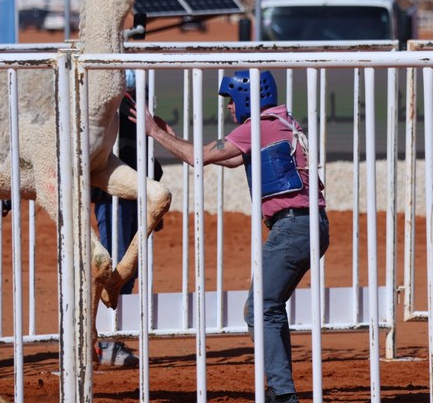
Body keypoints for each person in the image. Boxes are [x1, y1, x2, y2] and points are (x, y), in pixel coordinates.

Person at [134, 69, 329, 403]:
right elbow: (230, 159)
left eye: (230, 100)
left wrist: (153, 132)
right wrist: (168, 137)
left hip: (293, 227)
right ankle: (280, 388)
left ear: (249, 97)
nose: (227, 107)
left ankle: (282, 393)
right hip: (308, 225)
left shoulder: (259, 126)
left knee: (261, 309)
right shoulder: (278, 122)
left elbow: (198, 157)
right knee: (268, 307)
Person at [91, 69, 166, 368]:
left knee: (129, 271)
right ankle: (102, 342)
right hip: (112, 194)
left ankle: (112, 337)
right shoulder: (107, 95)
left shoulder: (139, 96)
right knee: (112, 265)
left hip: (138, 190)